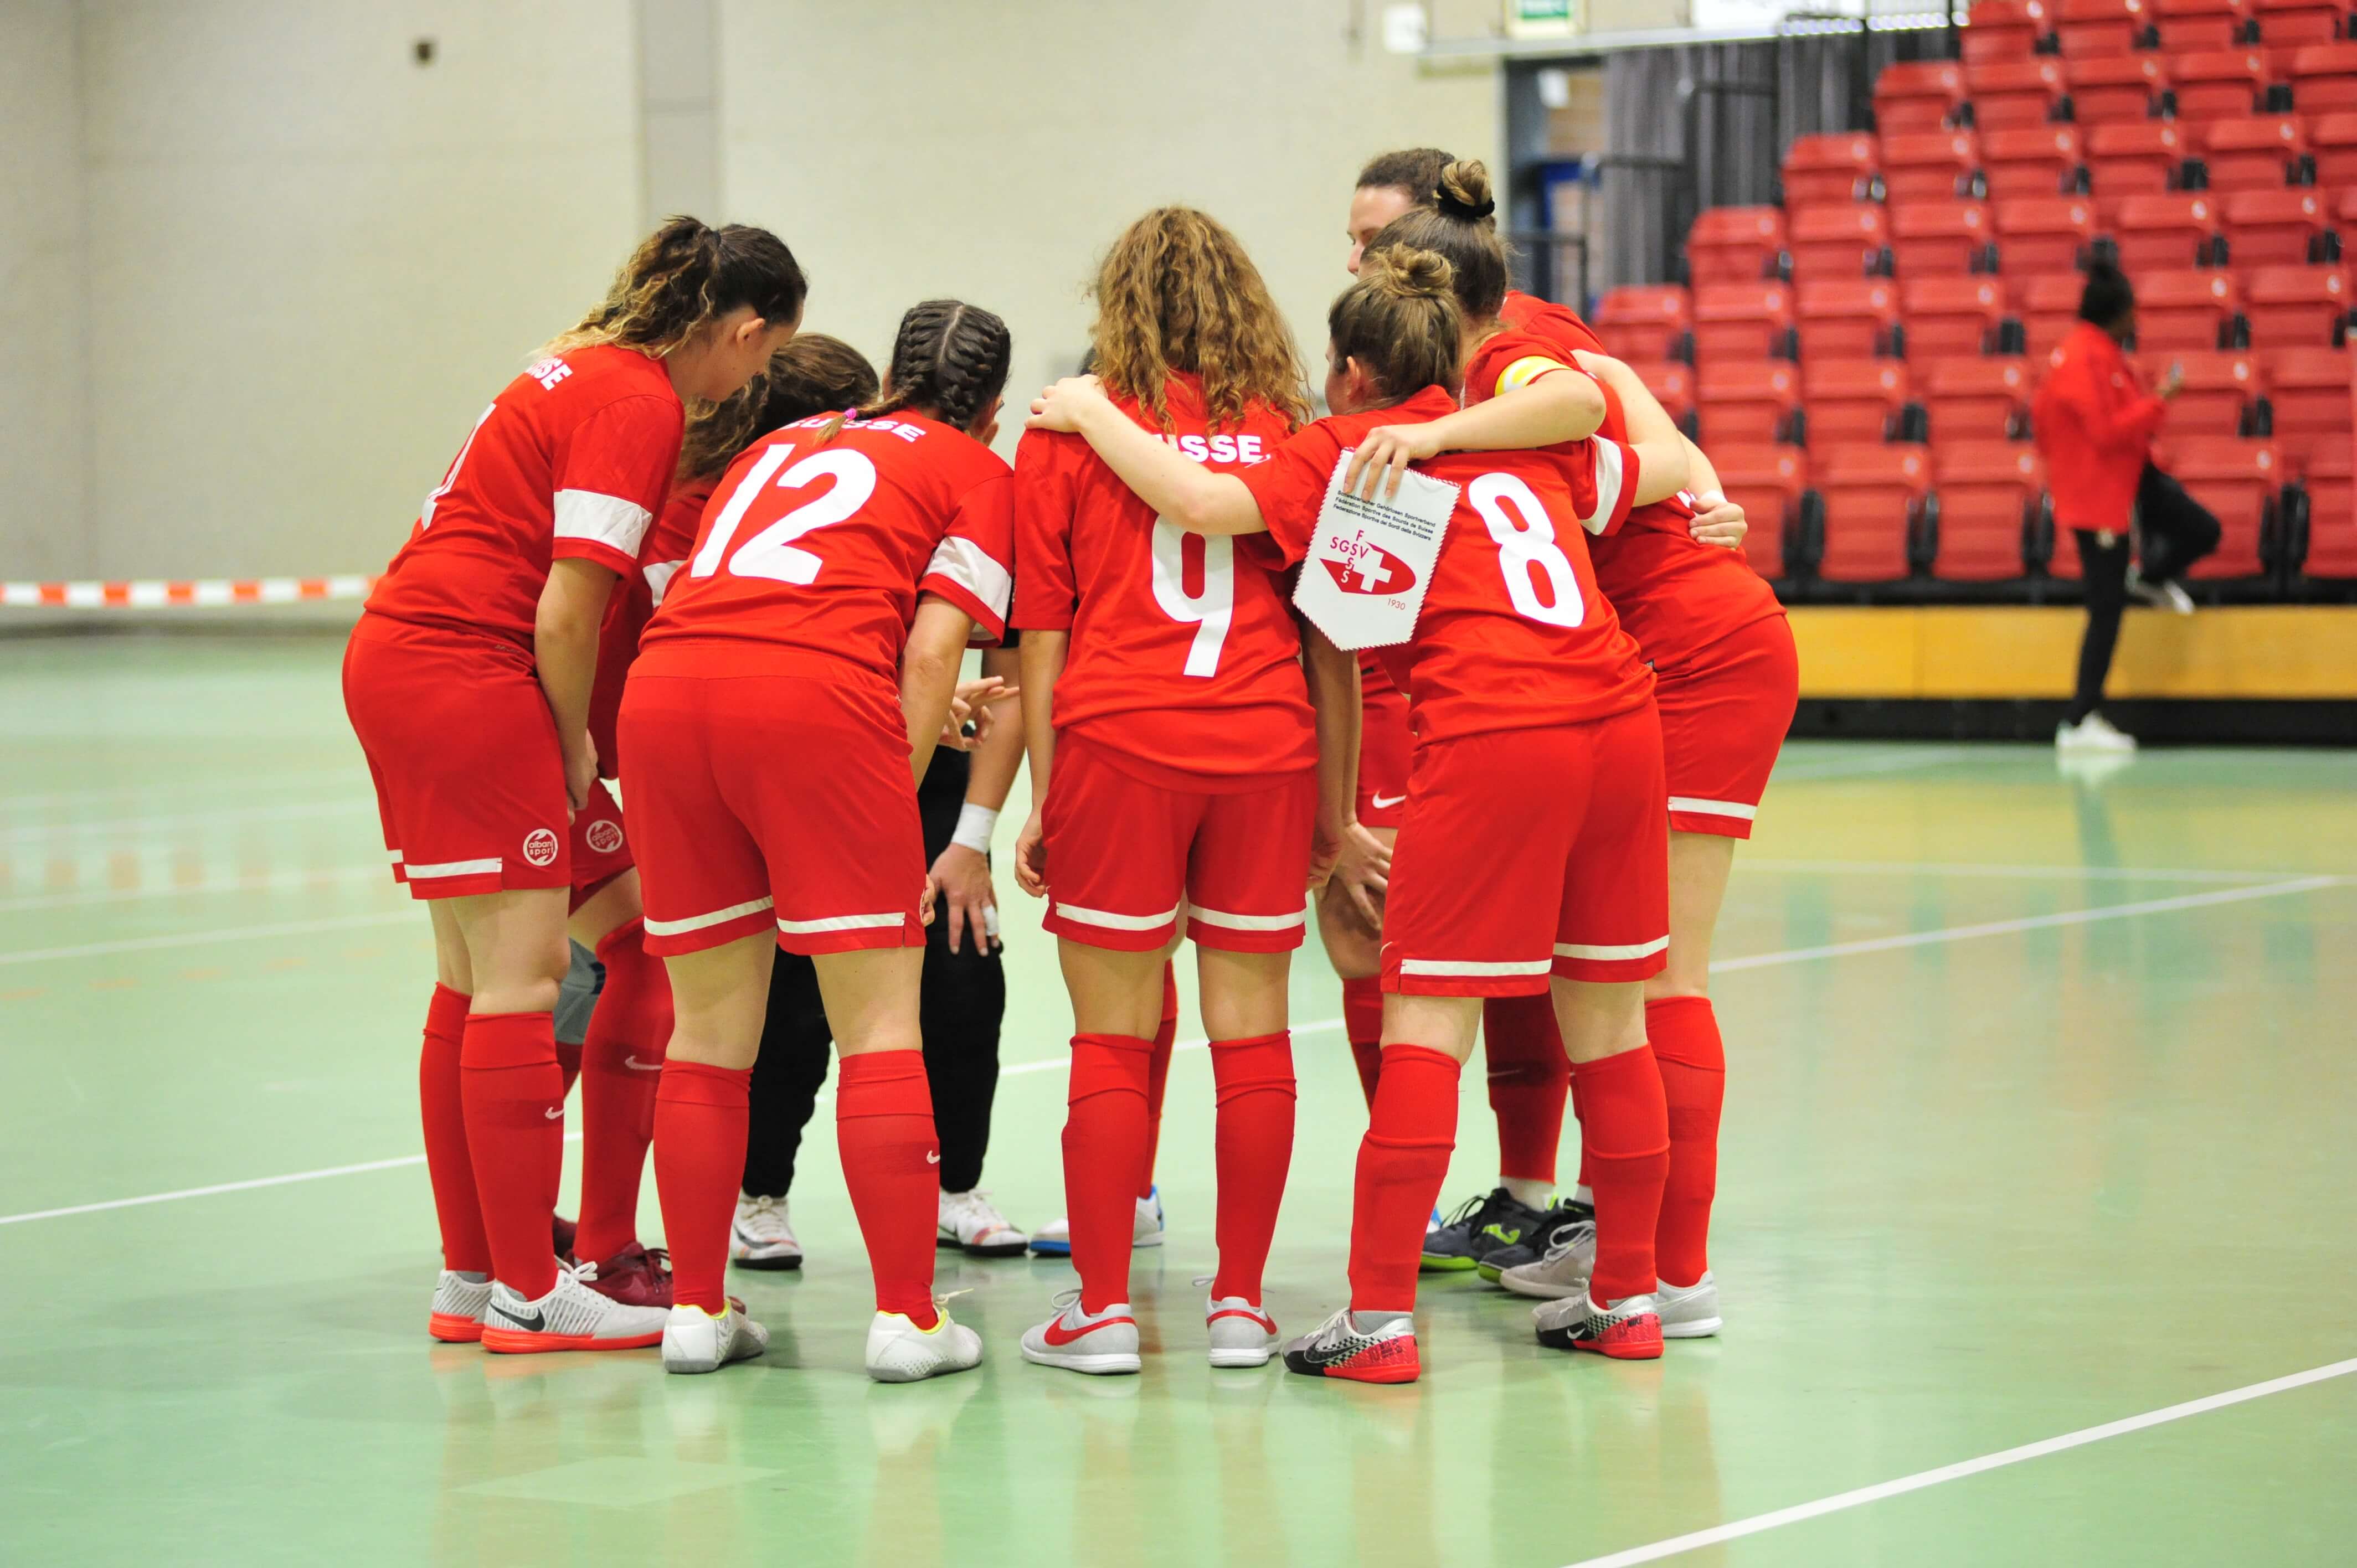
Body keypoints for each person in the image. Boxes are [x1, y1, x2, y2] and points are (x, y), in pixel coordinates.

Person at [1027, 246, 1689, 1380]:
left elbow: (1198, 502)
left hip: (1487, 732)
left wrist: (1088, 403)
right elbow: (1657, 459)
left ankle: (1377, 1320)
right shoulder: (1536, 440)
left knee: (1427, 1017)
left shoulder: (1344, 449)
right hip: (1621, 724)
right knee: (1614, 1027)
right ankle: (1625, 1297)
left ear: (1346, 371)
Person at [344, 216, 804, 1353]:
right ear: (744, 332)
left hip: (404, 656)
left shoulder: (573, 365)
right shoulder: (639, 401)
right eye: (762, 356)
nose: (751, 381)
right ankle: (530, 1296)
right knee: (524, 973)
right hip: (471, 670)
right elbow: (567, 608)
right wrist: (569, 750)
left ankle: (472, 1280)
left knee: (473, 974)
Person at [1365, 164, 1796, 1342]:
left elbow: (1636, 444)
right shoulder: (1461, 367)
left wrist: (1701, 487)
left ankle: (1671, 1271)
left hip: (1690, 649)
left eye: (1375, 241)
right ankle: (1623, 1250)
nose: (1358, 268)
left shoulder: (1516, 352)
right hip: (1630, 658)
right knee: (1597, 972)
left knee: (1659, 975)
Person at [620, 300, 1015, 1384]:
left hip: (667, 701)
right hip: (812, 713)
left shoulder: (786, 440)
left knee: (708, 1029)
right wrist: (883, 783)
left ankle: (696, 1310)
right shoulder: (977, 471)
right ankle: (905, 1321)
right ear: (989, 409)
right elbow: (933, 652)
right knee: (883, 1020)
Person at [1007, 206, 1350, 1374]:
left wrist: (1049, 800)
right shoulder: (1298, 432)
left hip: (1118, 741)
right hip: (1266, 746)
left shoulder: (1064, 431)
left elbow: (1041, 638)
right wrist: (1334, 806)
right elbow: (1331, 641)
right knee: (1254, 1037)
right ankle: (1243, 1306)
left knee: (1110, 1035)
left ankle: (1101, 1312)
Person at [2034, 262, 2189, 755]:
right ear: (2116, 314)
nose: (2134, 323)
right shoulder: (2084, 359)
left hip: (2107, 494)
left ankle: (2084, 716)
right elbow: (2104, 432)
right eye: (2130, 314)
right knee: (2105, 610)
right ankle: (2080, 719)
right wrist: (2160, 402)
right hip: (2096, 501)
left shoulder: (2091, 352)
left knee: (2110, 604)